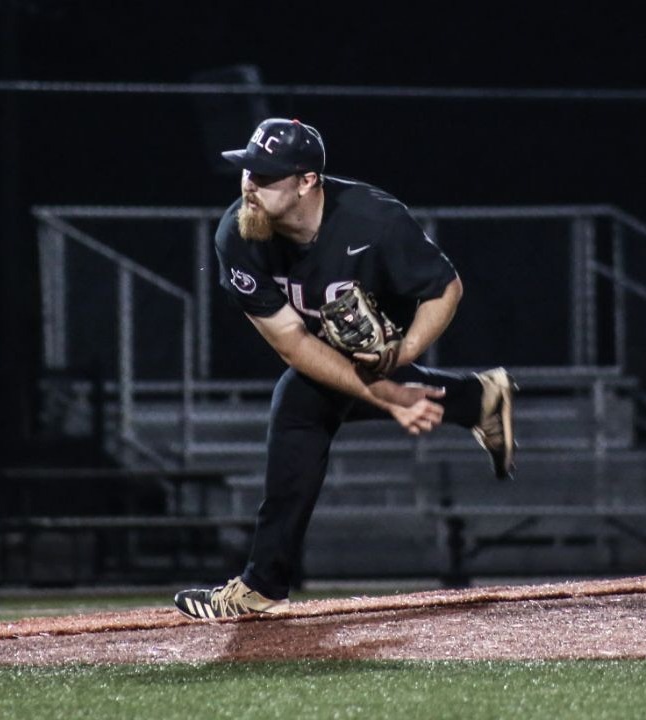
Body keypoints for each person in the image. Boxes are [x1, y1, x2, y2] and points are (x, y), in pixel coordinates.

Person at [174, 118, 515, 620]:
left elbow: (445, 289)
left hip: (384, 327)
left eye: (265, 176)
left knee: (297, 409)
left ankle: (261, 587)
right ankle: (477, 399)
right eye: (247, 171)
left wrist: (402, 354)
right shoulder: (238, 235)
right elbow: (292, 343)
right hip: (316, 337)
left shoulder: (373, 219)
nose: (249, 185)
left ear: (307, 181)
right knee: (301, 402)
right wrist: (386, 394)